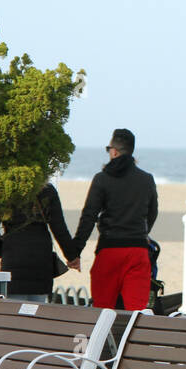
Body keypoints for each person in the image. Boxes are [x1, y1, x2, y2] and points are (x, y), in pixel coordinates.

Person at [69, 128, 158, 310]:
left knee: (104, 311)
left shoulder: (102, 179)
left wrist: (75, 251)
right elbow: (152, 212)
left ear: (114, 151)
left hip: (109, 251)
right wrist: (143, 233)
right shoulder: (146, 179)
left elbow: (89, 216)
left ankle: (106, 339)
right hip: (137, 251)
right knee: (137, 312)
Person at [0, 182, 77, 303]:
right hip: (41, 259)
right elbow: (59, 228)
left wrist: (2, 251)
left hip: (13, 256)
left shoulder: (3, 187)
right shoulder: (46, 189)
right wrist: (72, 256)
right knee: (36, 311)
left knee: (14, 311)